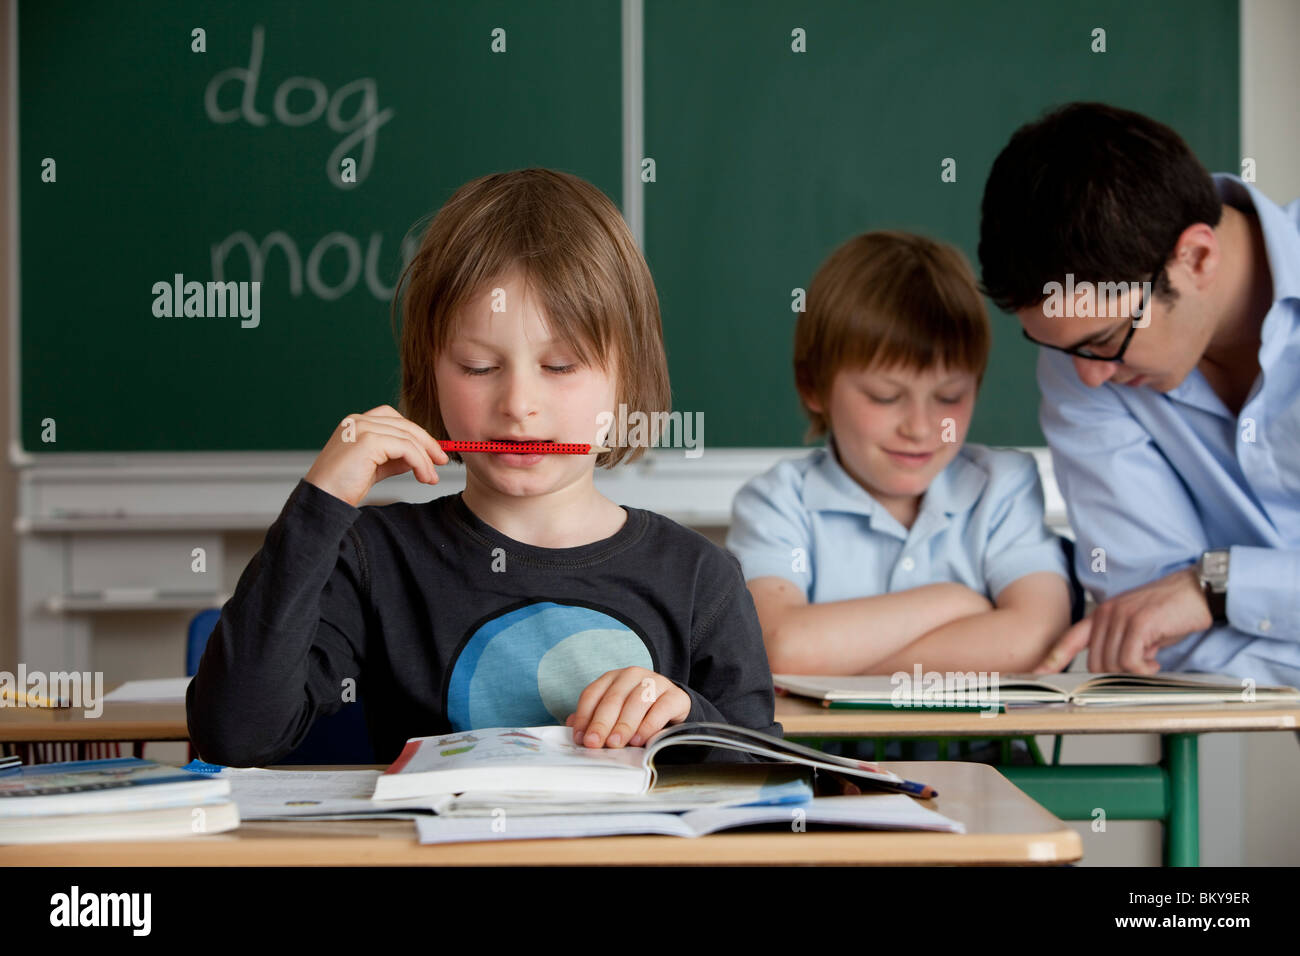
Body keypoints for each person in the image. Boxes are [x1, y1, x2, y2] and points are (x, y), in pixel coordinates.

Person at [187, 168, 779, 767]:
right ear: (430, 376)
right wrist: (321, 505)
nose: (518, 405)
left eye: (561, 365)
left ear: (629, 379)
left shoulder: (700, 576)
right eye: (476, 366)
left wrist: (685, 716)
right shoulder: (374, 559)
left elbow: (762, 777)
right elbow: (236, 734)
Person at [979, 102, 1300, 687]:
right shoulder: (1081, 359)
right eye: (1061, 347)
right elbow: (1148, 633)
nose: (1088, 379)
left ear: (1198, 258)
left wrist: (1219, 586)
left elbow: (1177, 615)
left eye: (1104, 339)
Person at [727, 231, 1072, 678]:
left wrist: (841, 667)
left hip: (983, 751)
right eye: (885, 396)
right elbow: (780, 649)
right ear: (813, 386)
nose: (920, 427)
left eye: (949, 397)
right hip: (822, 751)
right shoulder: (777, 502)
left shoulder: (1003, 485)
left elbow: (1035, 640)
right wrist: (955, 601)